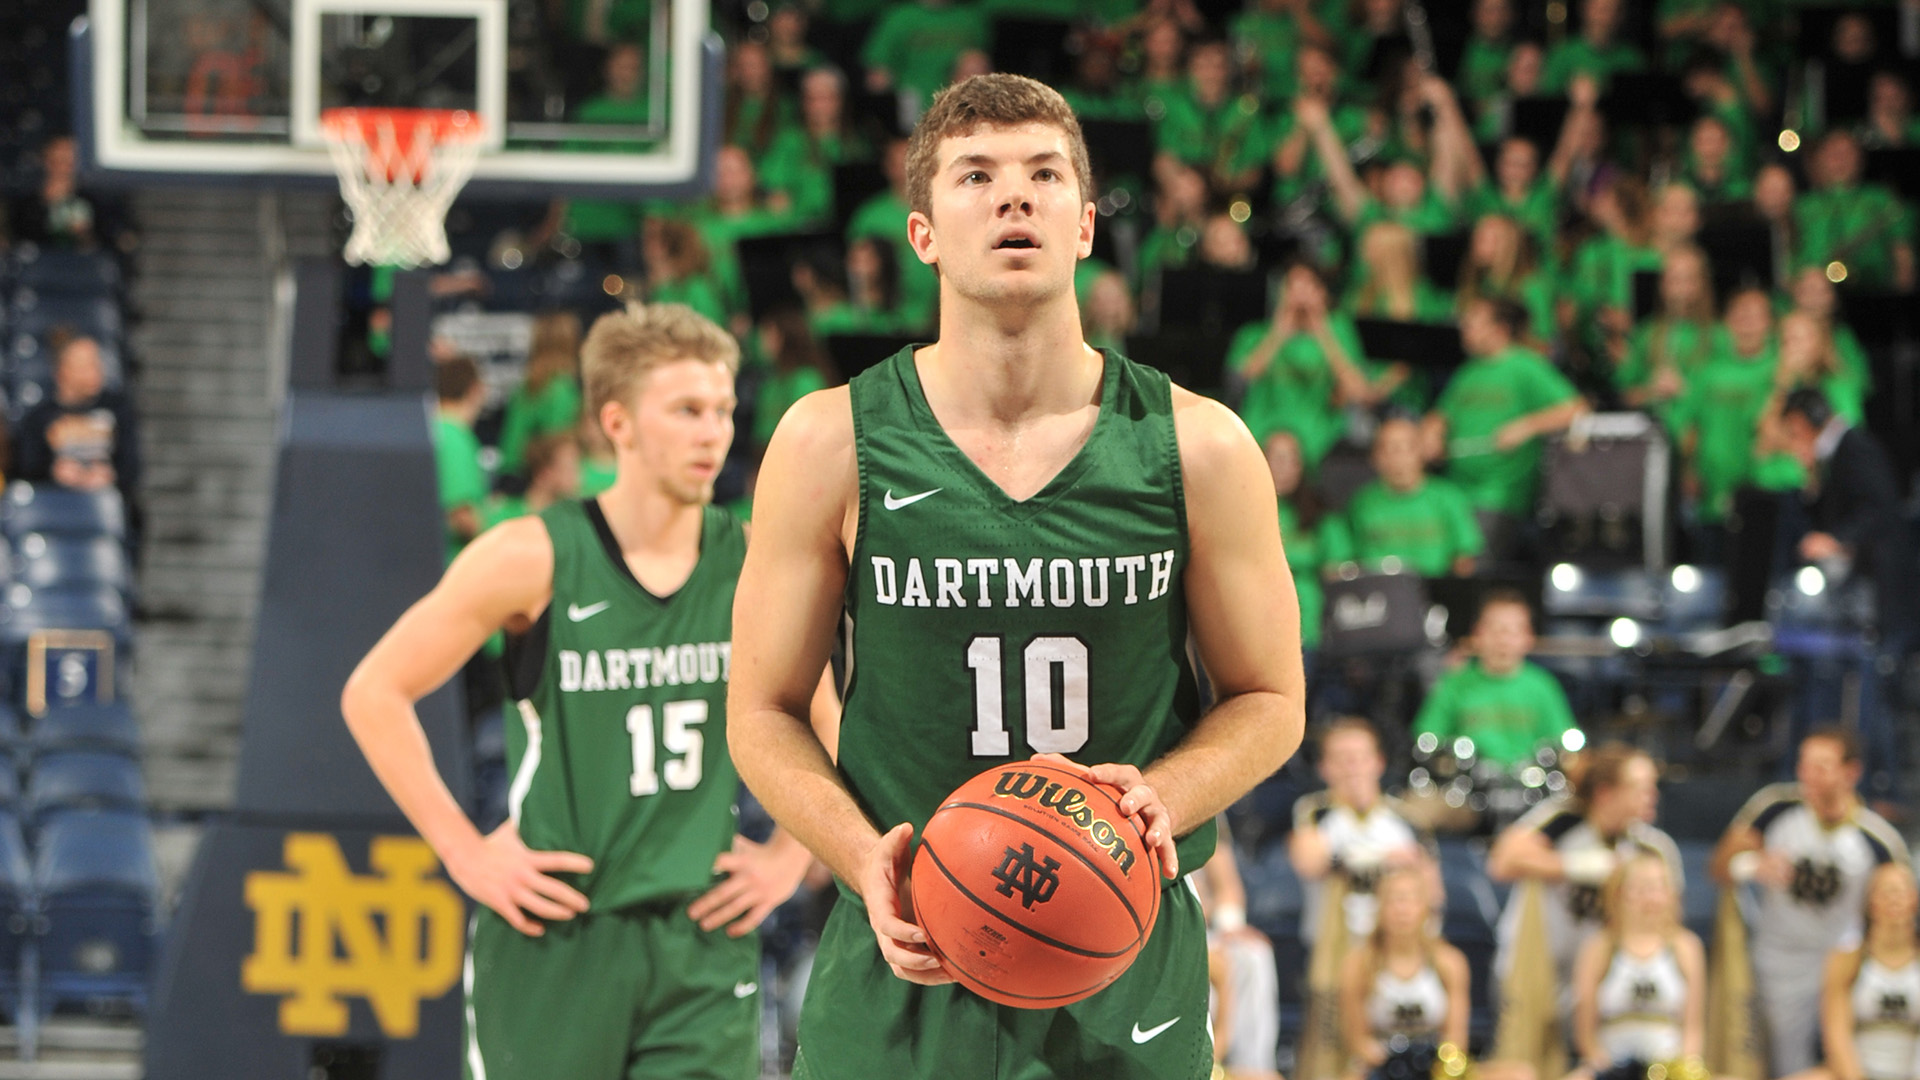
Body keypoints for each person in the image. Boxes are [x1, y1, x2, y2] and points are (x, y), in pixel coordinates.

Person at [727, 73, 1306, 1079]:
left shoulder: (1200, 446)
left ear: (1084, 226)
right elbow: (762, 711)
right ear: (921, 234)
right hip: (906, 959)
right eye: (975, 175)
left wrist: (1161, 798)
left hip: (1121, 963)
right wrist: (859, 854)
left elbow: (1272, 700)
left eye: (1044, 174)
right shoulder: (830, 440)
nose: (1013, 196)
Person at [341, 303, 828, 1078]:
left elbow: (829, 717)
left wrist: (787, 858)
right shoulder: (530, 557)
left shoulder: (750, 561)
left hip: (701, 940)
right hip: (558, 931)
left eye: (722, 410)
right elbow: (374, 693)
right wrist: (463, 852)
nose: (713, 432)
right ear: (618, 423)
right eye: (687, 410)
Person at [1710, 729, 1909, 1079]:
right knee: (1779, 1061)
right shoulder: (1775, 808)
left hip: (1845, 966)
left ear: (1851, 772)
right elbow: (1719, 866)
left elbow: (1903, 900)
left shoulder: (1878, 839)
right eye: (1804, 764)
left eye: (1822, 766)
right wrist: (1752, 865)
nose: (1807, 775)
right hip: (1777, 961)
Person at [1488, 744, 1681, 1010]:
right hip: (1535, 968)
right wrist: (1575, 866)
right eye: (1640, 787)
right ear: (1605, 793)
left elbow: (1672, 918)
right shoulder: (1564, 819)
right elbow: (1502, 863)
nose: (1652, 796)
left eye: (1652, 787)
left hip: (1599, 979)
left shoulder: (1651, 846)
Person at [1422, 297, 1587, 547]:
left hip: (1499, 495)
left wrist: (1527, 426)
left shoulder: (1525, 365)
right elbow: (1442, 414)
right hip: (1456, 490)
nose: (1464, 327)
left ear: (1500, 329)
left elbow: (1576, 409)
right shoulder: (1469, 371)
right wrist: (1431, 432)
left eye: (1473, 322)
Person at [1292, 718, 1433, 949]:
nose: (1352, 767)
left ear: (1379, 762)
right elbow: (1309, 863)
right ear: (1323, 767)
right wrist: (1384, 860)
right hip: (1332, 941)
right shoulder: (1313, 811)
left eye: (1360, 757)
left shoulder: (1407, 817)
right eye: (1341, 759)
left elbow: (1432, 889)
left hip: (1392, 944)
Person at [1567, 852, 1709, 1079]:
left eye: (1658, 887)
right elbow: (1585, 1032)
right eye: (1641, 889)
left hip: (1667, 1068)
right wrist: (1606, 1067)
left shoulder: (1687, 947)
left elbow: (1693, 1029)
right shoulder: (1598, 948)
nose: (1651, 898)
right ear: (1619, 893)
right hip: (1610, 1067)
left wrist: (1683, 1069)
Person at [1414, 590, 1578, 773]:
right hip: (1467, 784)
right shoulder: (1454, 684)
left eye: (1514, 631)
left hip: (1531, 784)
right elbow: (1427, 739)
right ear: (1477, 634)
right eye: (1495, 630)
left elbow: (1563, 747)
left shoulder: (1543, 686)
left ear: (1529, 637)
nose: (1503, 640)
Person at [1340, 864, 1472, 1080]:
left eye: (1411, 900)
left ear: (1426, 907)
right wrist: (1395, 1063)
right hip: (1379, 1065)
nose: (1402, 910)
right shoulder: (1358, 965)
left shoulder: (1450, 963)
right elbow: (1357, 1040)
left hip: (1433, 1064)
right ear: (1380, 907)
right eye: (1394, 900)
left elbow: (1456, 1038)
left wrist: (1428, 1064)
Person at [1798, 864, 1920, 1080]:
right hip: (1855, 1073)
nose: (1894, 900)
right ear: (1870, 902)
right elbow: (1836, 1033)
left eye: (1900, 892)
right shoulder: (1846, 960)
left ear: (1914, 900)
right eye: (1886, 893)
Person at [1326, 415, 1486, 579]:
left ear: (1421, 451)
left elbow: (1464, 559)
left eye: (1403, 447)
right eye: (1386, 449)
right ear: (1374, 457)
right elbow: (1340, 564)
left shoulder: (1449, 498)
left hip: (1435, 587)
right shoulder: (1360, 503)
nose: (1396, 457)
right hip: (1378, 589)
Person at [13, 332, 141, 523]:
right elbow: (24, 467)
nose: (96, 370)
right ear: (62, 371)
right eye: (85, 365)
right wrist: (53, 472)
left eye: (97, 363)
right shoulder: (39, 418)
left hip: (105, 509)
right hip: (53, 510)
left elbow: (132, 466)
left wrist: (109, 475)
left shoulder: (118, 409)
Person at [497, 311, 585, 477]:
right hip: (538, 475)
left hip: (511, 473)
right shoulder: (561, 389)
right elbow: (557, 447)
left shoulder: (524, 387)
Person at [1266, 431, 1328, 651]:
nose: (1283, 468)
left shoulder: (1321, 515)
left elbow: (1337, 573)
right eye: (1277, 458)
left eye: (1291, 459)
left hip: (1308, 627)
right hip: (1256, 625)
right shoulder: (1244, 514)